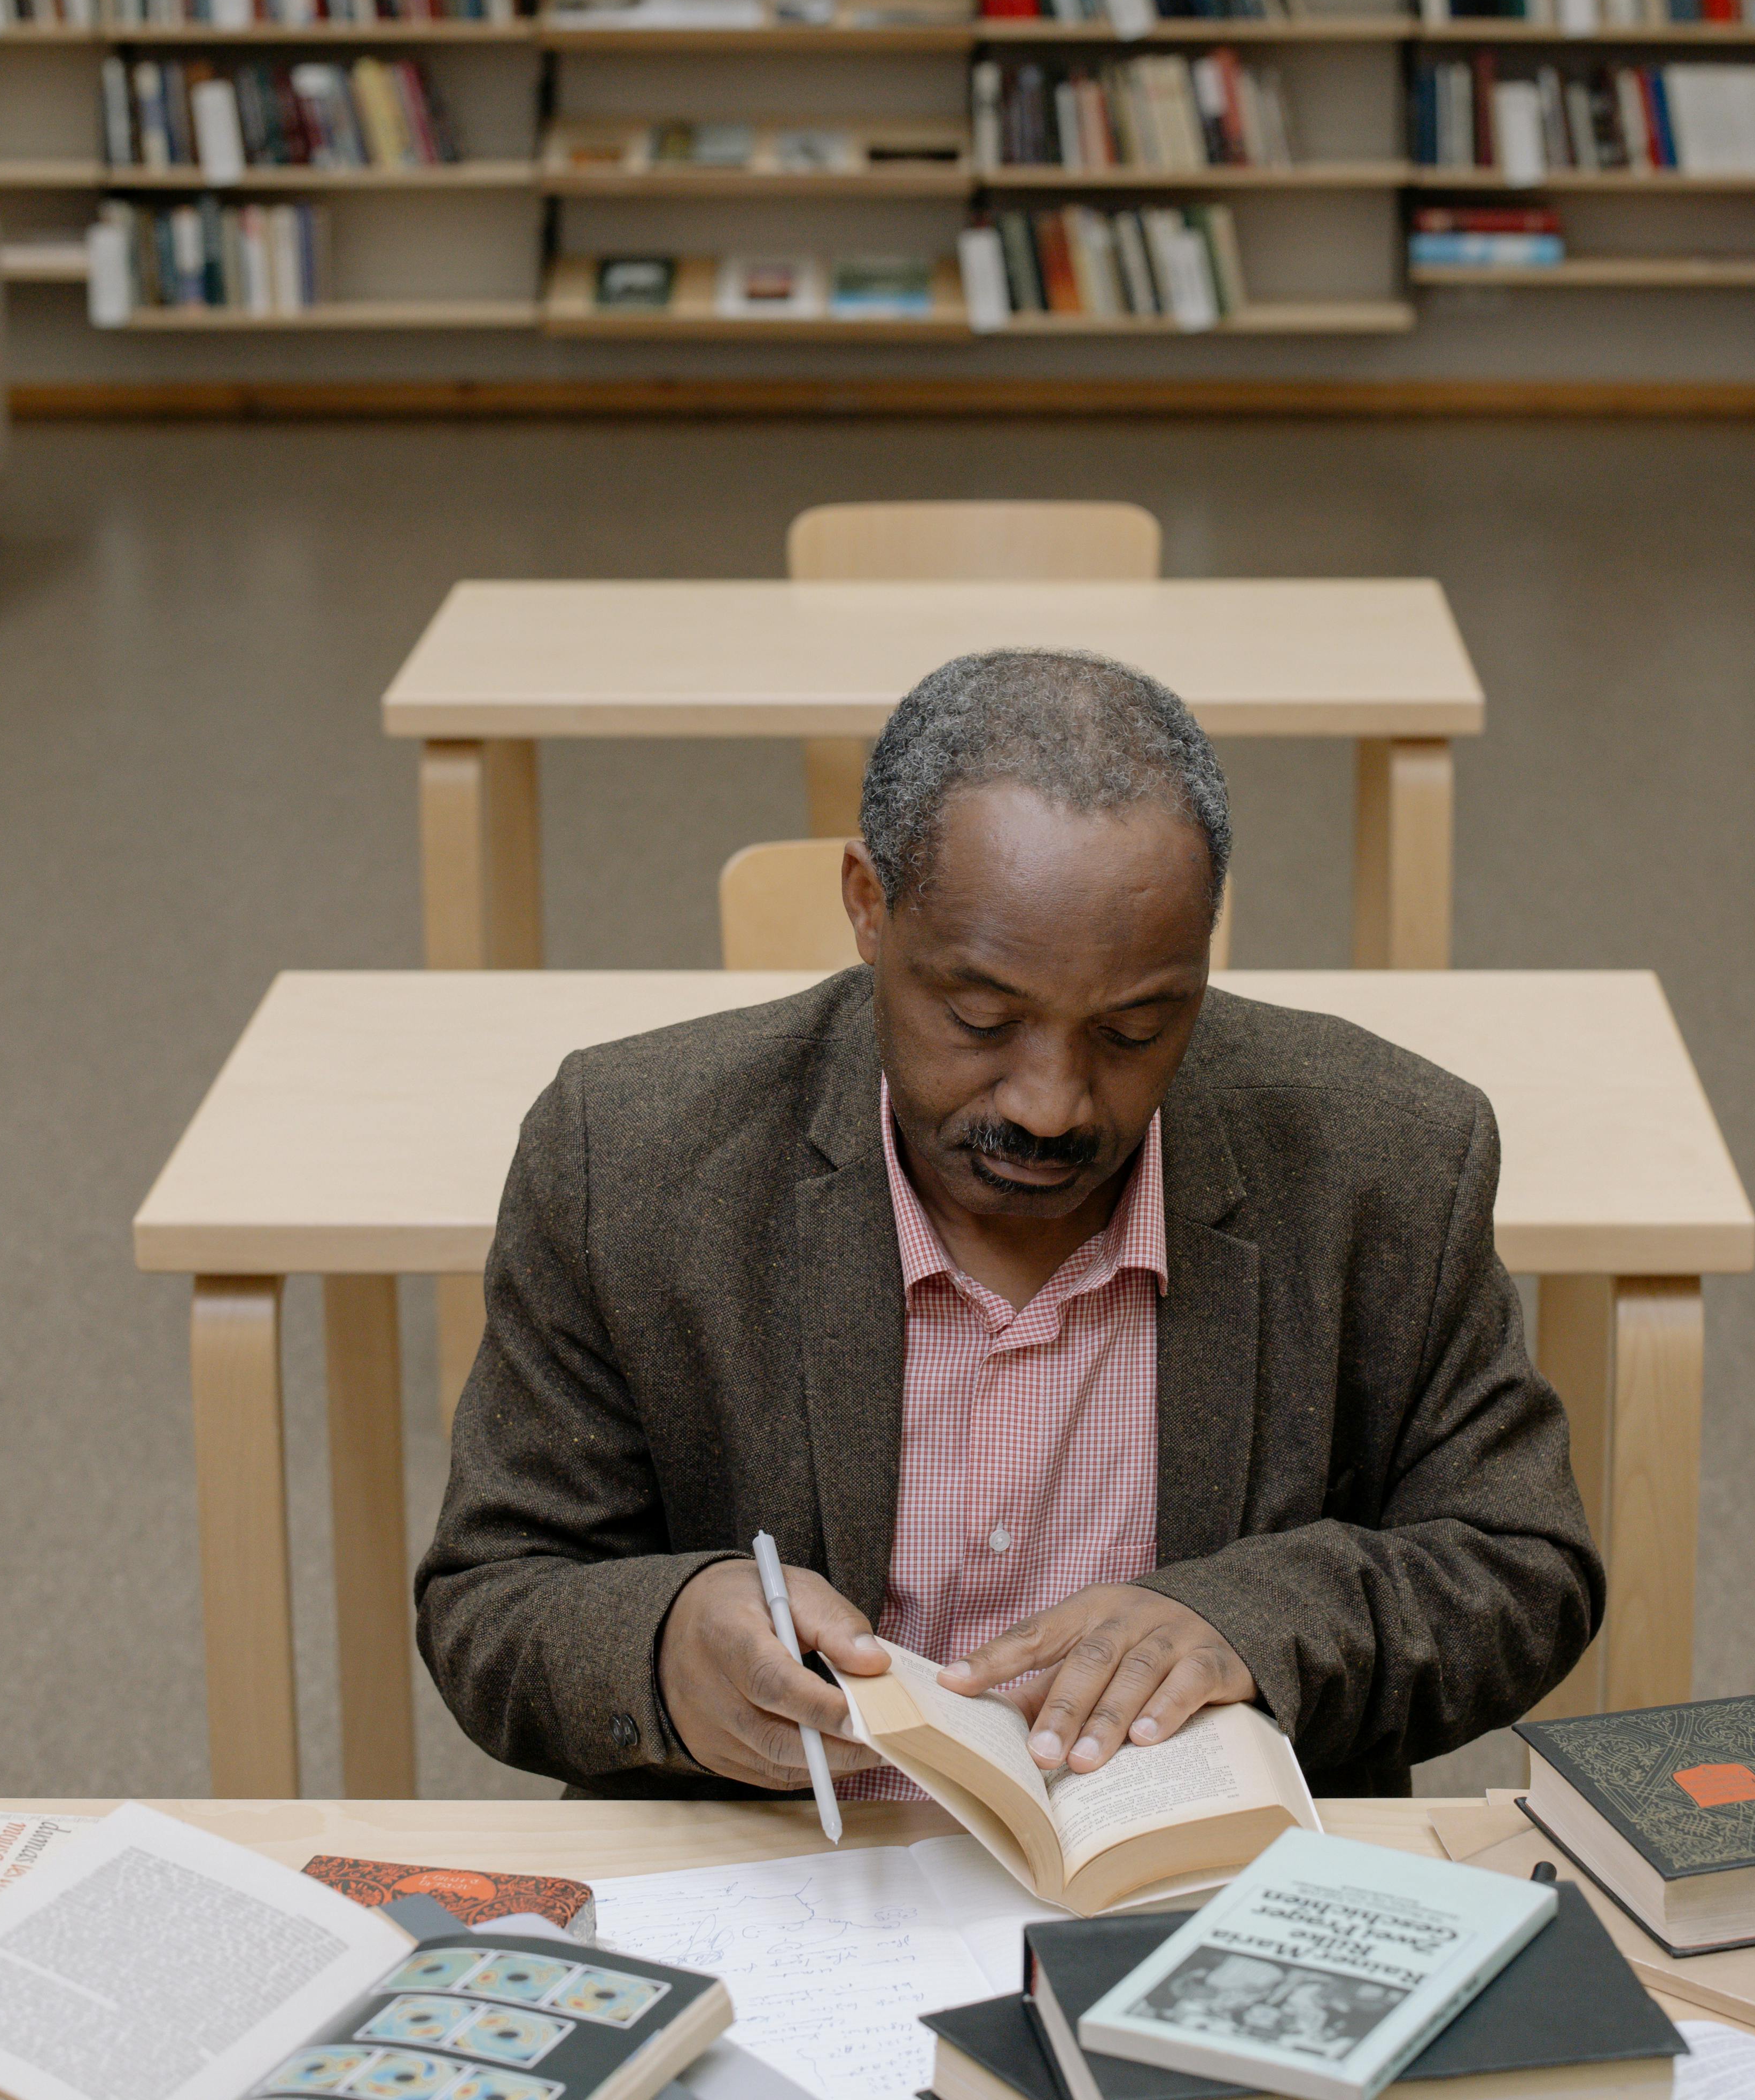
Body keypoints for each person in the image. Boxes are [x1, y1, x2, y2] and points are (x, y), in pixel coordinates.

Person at [415, 647, 1601, 1800]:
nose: (1051, 1104)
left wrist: (1246, 1619)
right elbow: (495, 1592)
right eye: (981, 1019)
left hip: (1202, 1897)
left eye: (1135, 1030)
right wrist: (665, 1641)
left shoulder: (1382, 1158)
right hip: (779, 1884)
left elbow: (1521, 1562)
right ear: (869, 908)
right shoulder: (629, 1155)